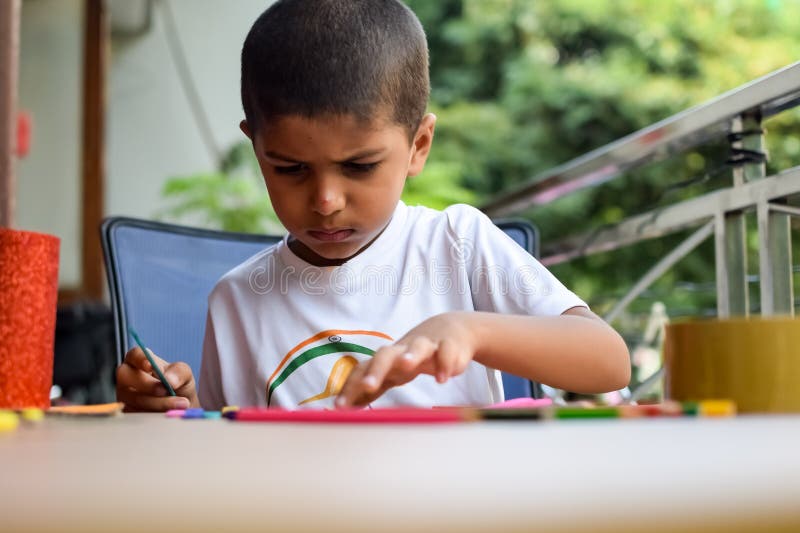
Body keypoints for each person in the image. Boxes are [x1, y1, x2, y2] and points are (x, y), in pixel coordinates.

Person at [115, 0, 630, 412]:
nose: (325, 200)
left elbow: (608, 362)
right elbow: (226, 444)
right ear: (256, 148)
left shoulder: (457, 245)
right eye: (290, 168)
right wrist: (178, 408)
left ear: (418, 147)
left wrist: (470, 330)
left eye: (360, 166)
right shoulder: (237, 301)